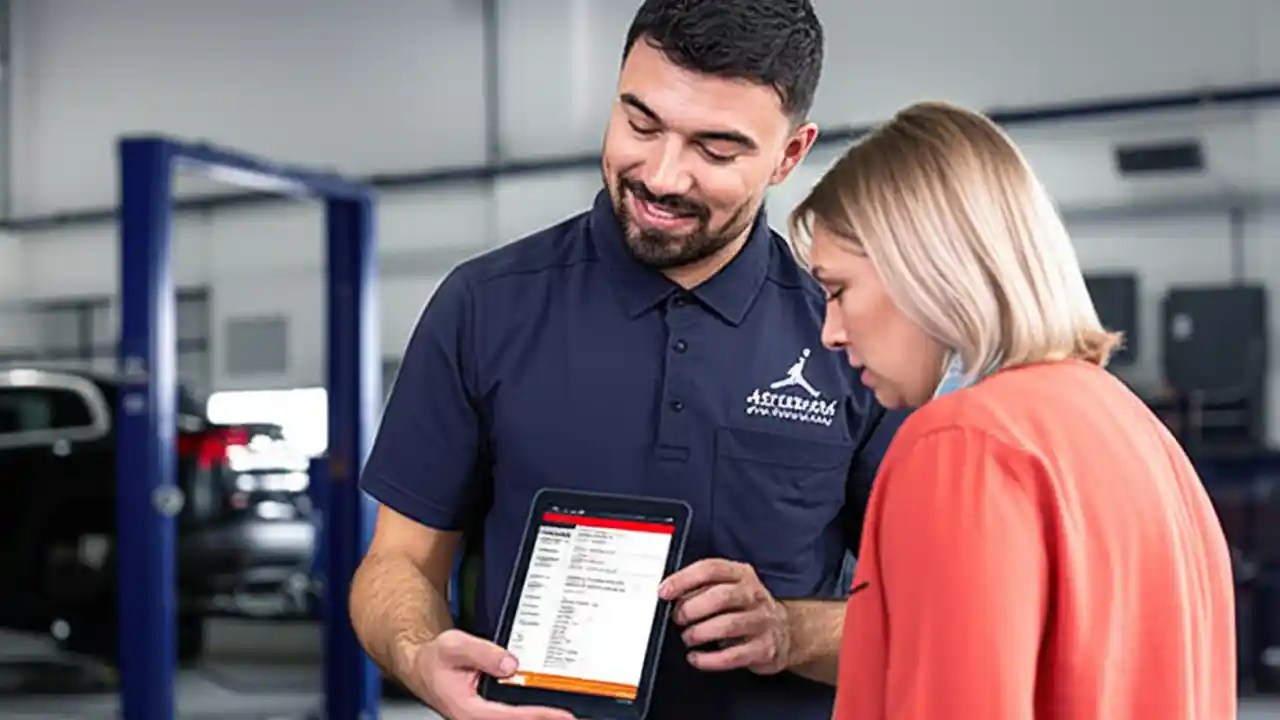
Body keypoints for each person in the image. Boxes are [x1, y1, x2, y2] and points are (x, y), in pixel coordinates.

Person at [348, 2, 902, 719]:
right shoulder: (483, 306)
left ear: (789, 156)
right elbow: (395, 563)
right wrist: (421, 655)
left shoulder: (849, 330)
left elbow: (933, 619)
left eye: (717, 149)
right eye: (640, 124)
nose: (664, 176)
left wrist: (793, 632)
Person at [790, 100, 1238, 719]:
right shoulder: (1139, 432)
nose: (829, 333)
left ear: (926, 268)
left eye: (838, 290)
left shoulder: (958, 446)